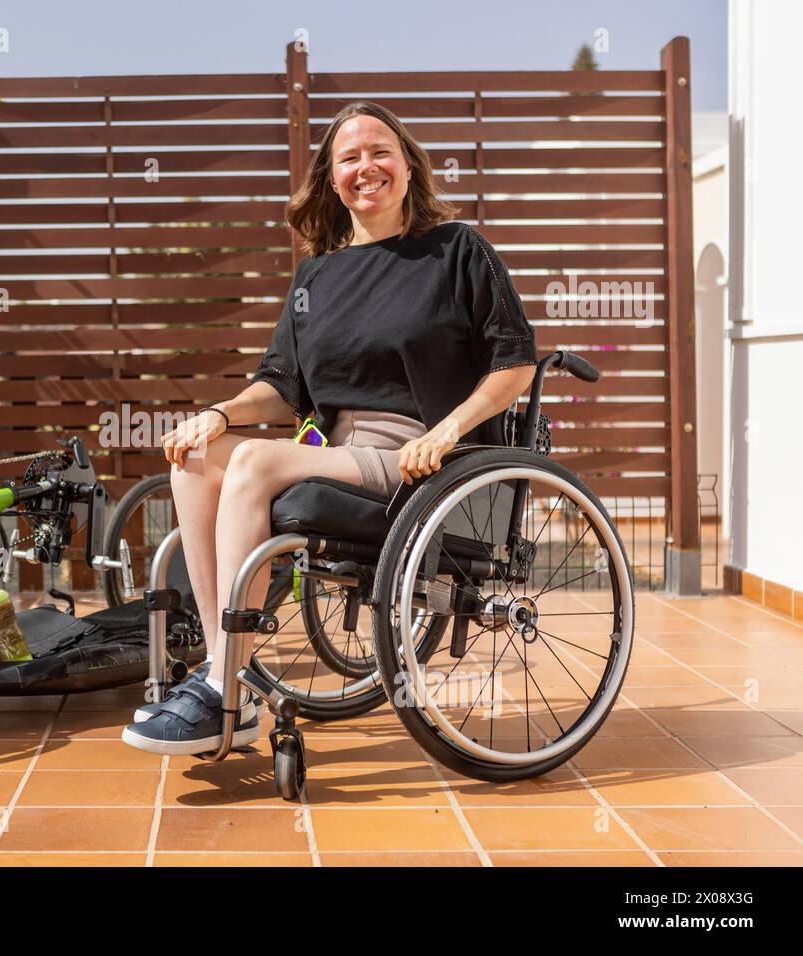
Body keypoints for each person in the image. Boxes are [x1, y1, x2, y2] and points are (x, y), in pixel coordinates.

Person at [121, 100, 539, 756]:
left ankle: (224, 687)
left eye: (380, 152)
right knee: (197, 458)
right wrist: (218, 415)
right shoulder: (317, 275)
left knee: (258, 465)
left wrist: (449, 430)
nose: (366, 166)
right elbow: (280, 385)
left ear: (407, 166)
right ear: (331, 179)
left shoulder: (455, 250)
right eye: (349, 158)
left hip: (419, 461)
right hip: (336, 454)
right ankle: (221, 673)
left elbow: (515, 363)